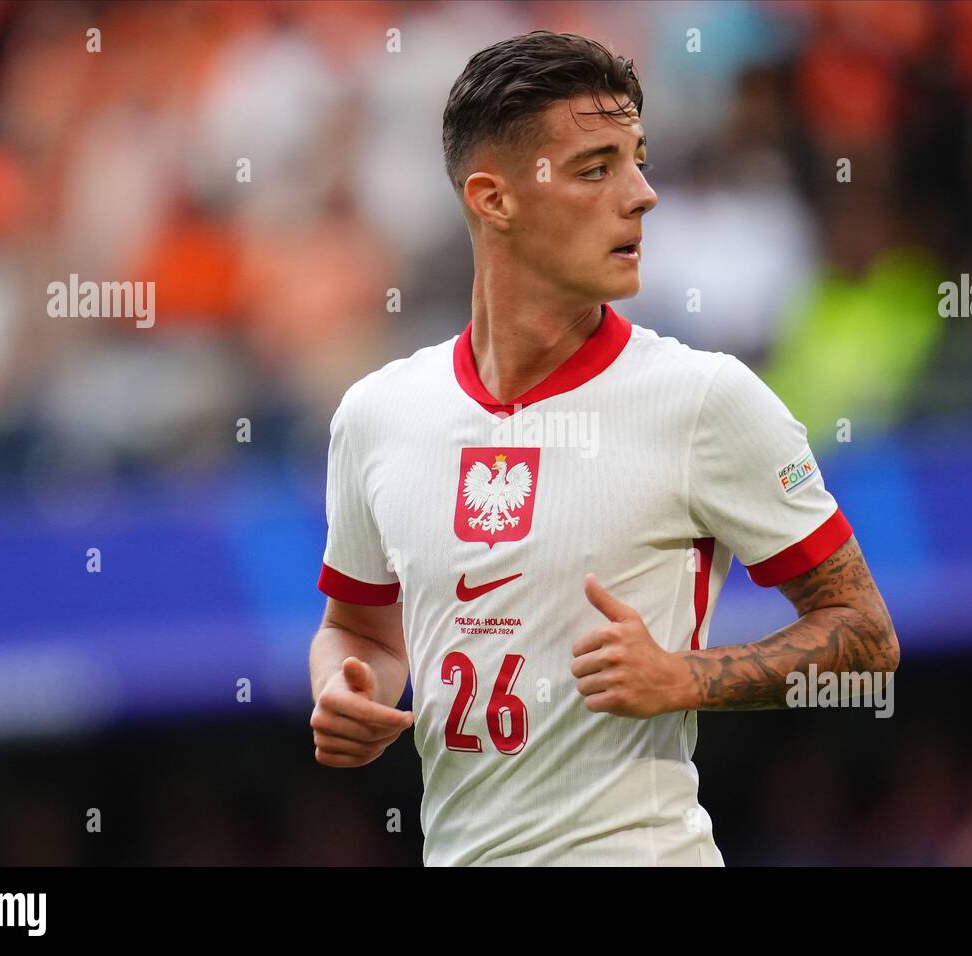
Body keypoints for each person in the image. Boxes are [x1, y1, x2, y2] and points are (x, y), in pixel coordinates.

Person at [308, 30, 899, 866]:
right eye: (597, 169)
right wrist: (342, 683)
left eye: (639, 159)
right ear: (493, 199)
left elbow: (867, 638)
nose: (644, 194)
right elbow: (358, 630)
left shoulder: (704, 399)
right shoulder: (378, 414)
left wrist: (686, 677)